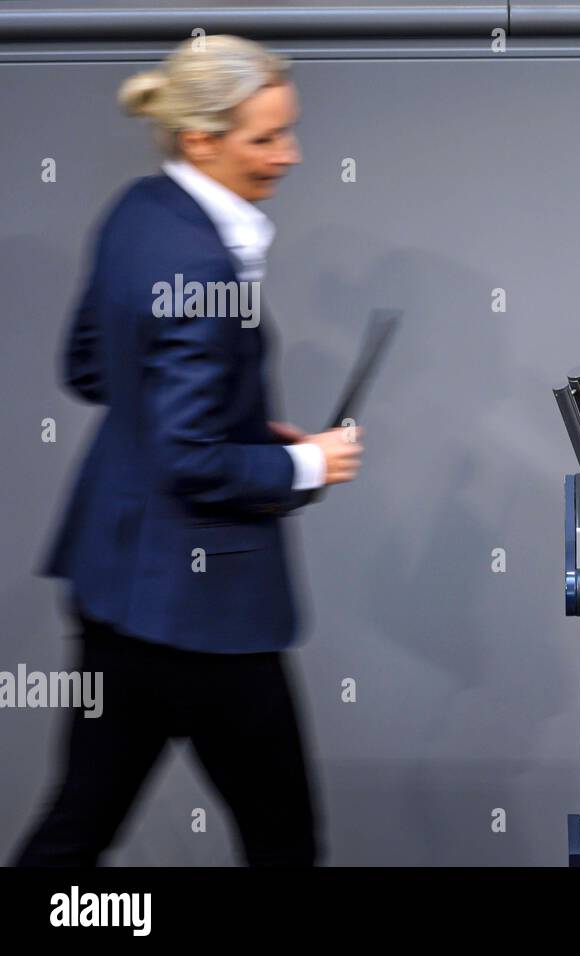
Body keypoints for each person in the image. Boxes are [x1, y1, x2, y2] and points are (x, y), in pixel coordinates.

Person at [11, 35, 361, 866]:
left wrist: (231, 427)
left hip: (115, 582)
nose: (290, 154)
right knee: (283, 842)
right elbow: (189, 462)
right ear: (202, 140)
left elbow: (91, 366)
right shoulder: (206, 265)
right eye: (266, 138)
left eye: (288, 131)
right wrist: (308, 463)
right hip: (203, 612)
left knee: (76, 827)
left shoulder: (139, 212)